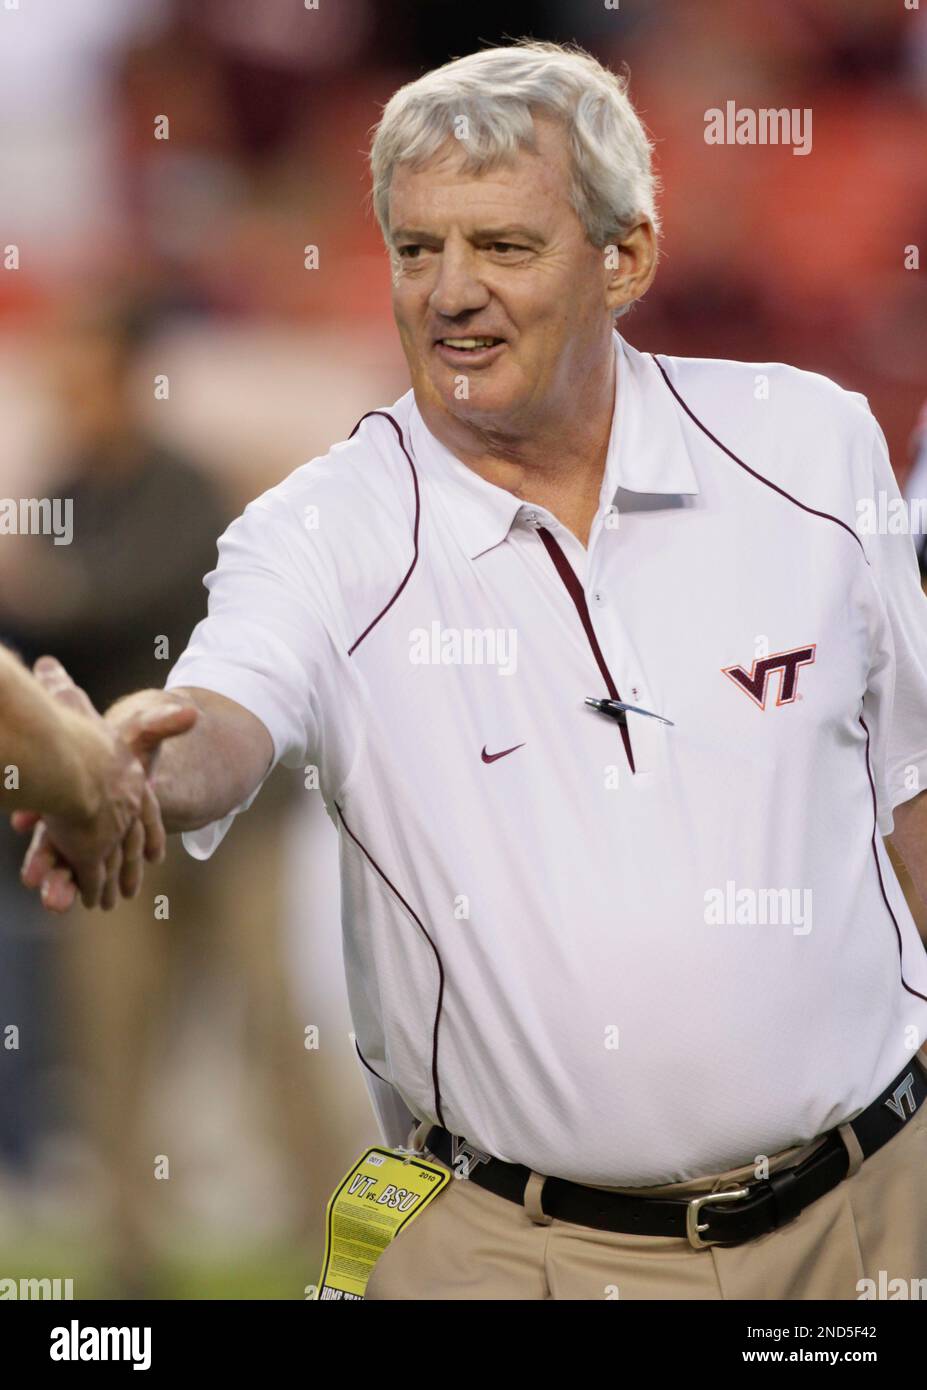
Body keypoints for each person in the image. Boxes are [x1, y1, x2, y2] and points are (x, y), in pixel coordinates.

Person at [19, 41, 927, 1300]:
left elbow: (907, 797)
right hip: (515, 1253)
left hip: (871, 1219)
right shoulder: (323, 529)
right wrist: (120, 760)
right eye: (415, 248)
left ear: (627, 257)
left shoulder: (814, 448)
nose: (449, 291)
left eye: (503, 247)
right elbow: (219, 720)